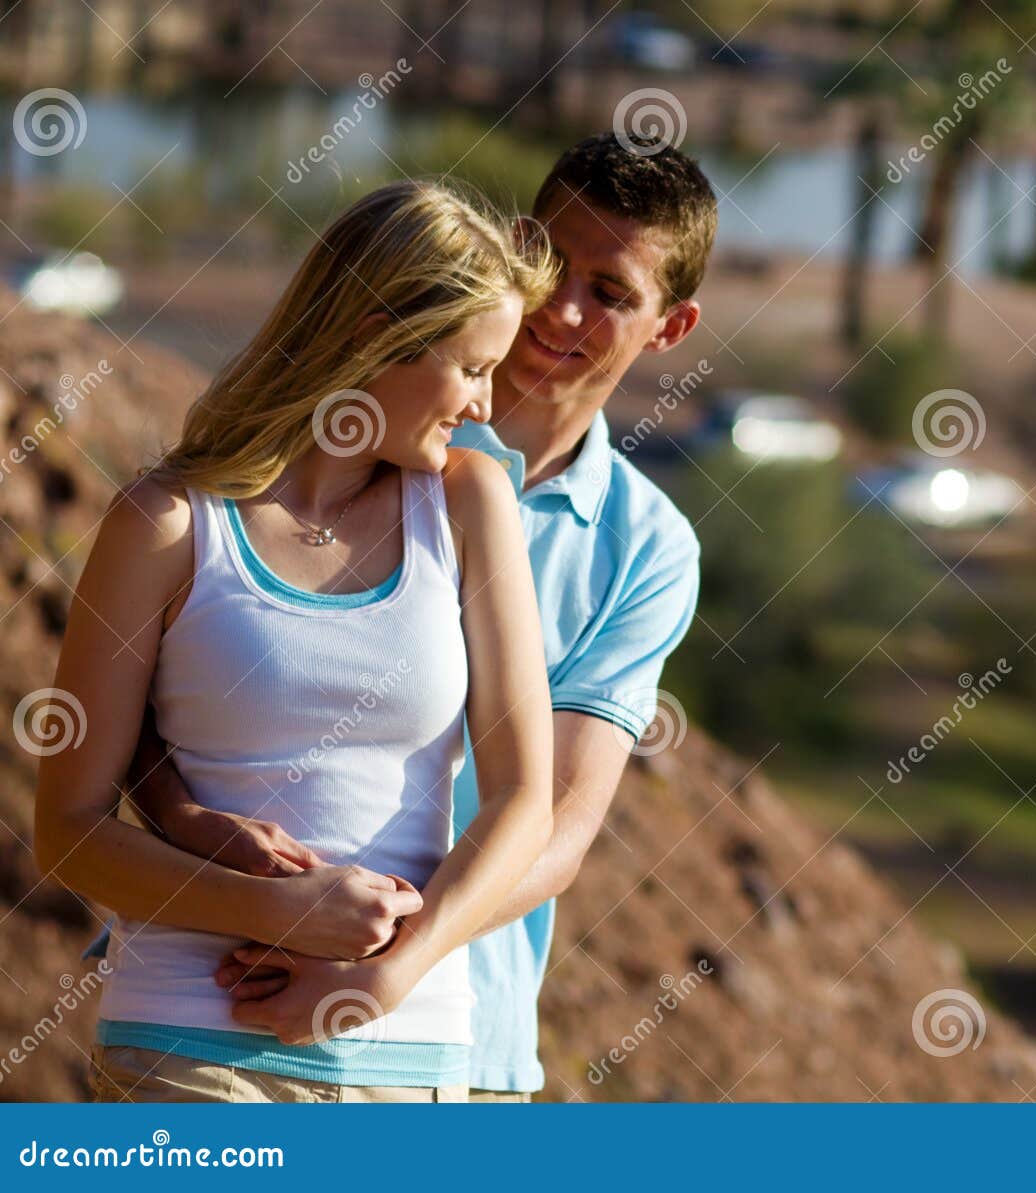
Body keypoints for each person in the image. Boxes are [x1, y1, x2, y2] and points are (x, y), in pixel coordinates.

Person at [121, 134, 718, 1102]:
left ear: (669, 327)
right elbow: (148, 706)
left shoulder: (646, 548)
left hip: (455, 1034)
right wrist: (195, 828)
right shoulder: (359, 440)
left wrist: (380, 955)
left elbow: (556, 822)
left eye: (610, 291)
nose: (562, 307)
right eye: (553, 261)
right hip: (215, 990)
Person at [36, 179, 559, 1103]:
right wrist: (279, 910)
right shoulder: (164, 523)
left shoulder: (473, 506)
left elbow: (525, 796)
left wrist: (388, 975)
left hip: (413, 1059)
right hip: (192, 1052)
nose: (483, 403)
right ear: (374, 331)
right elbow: (67, 831)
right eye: (471, 366)